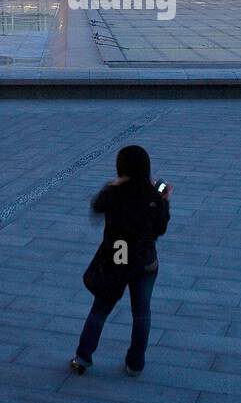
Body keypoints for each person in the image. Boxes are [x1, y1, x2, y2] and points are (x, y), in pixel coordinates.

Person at [71, 145, 172, 377]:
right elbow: (161, 228)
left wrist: (111, 185)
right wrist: (164, 201)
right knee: (142, 313)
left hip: (117, 255)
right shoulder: (153, 196)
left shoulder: (114, 192)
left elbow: (96, 207)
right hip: (145, 259)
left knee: (100, 309)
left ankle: (83, 357)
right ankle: (135, 363)